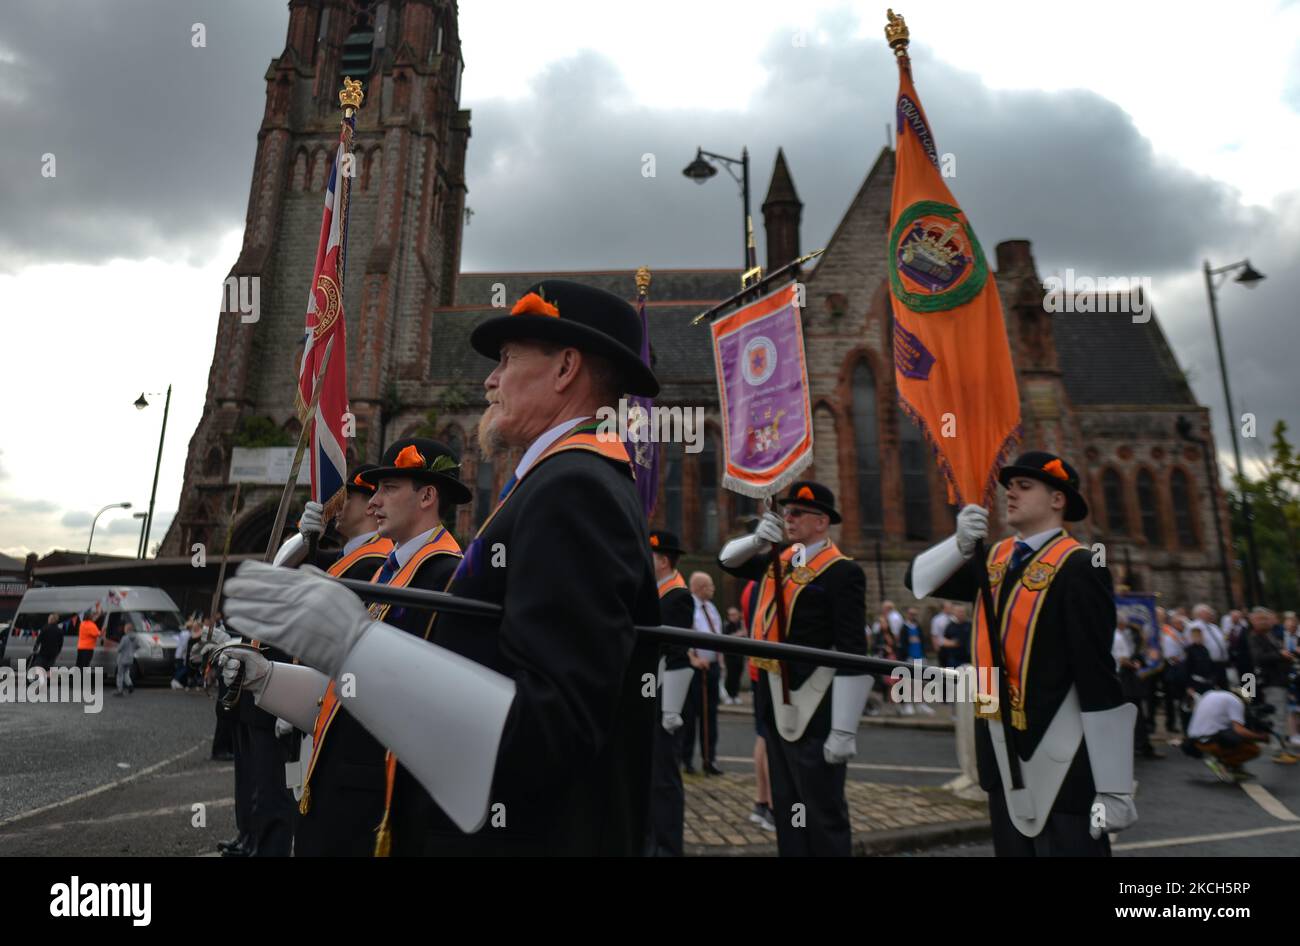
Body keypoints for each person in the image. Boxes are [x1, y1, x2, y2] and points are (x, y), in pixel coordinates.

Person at [223, 279, 661, 856]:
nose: (490, 379)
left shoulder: (574, 488)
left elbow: (552, 729)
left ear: (565, 370)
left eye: (506, 360)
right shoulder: (561, 483)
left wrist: (357, 648)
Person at [222, 450, 465, 857]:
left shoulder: (444, 577)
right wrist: (269, 678)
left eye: (387, 489)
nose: (373, 502)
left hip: (374, 796)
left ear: (427, 497)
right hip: (339, 781)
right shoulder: (391, 569)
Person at [907, 451, 1136, 856]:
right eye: (1008, 487)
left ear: (1057, 499)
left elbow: (1098, 675)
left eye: (1024, 486)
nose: (1009, 494)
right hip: (1001, 753)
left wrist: (1115, 786)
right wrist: (958, 544)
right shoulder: (992, 559)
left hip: (1062, 760)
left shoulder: (1080, 566)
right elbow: (917, 581)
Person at [719, 480, 870, 857]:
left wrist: (843, 729)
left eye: (797, 513)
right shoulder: (778, 561)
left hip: (816, 704)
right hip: (774, 698)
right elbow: (725, 561)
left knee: (822, 810)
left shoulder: (842, 572)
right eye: (787, 512)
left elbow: (854, 651)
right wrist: (756, 540)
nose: (788, 518)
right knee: (789, 809)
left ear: (822, 522)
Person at [646, 530, 693, 857]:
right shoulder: (656, 592)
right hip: (650, 691)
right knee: (650, 774)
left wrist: (671, 709)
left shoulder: (677, 596)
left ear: (662, 561)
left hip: (664, 694)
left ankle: (667, 846)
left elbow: (678, 653)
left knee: (664, 778)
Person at [680, 571, 724, 776]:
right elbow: (683, 637)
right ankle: (686, 759)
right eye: (709, 585)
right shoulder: (689, 607)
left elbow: (718, 635)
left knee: (711, 716)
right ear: (698, 587)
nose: (713, 589)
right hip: (696, 669)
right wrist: (694, 659)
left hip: (712, 668)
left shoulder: (712, 608)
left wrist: (719, 659)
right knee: (690, 716)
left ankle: (710, 759)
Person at [1183, 686, 1269, 782]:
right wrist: (1260, 737)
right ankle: (1222, 762)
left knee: (1231, 736)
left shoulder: (1210, 694)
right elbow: (1239, 730)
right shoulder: (1236, 702)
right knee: (1253, 749)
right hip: (1209, 741)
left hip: (1193, 740)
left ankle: (1233, 767)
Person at [1188, 604, 1229, 688]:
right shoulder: (1195, 626)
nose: (1211, 614)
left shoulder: (1213, 626)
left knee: (1224, 685)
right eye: (1207, 612)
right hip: (1208, 663)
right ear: (1199, 614)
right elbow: (1194, 644)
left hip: (1221, 662)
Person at [722, 605, 746, 704]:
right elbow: (725, 637)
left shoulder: (741, 624)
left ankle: (735, 694)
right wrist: (738, 634)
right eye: (731, 615)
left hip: (740, 654)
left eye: (734, 614)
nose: (733, 617)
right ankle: (729, 694)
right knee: (731, 675)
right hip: (730, 655)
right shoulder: (726, 625)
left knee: (738, 675)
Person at [940, 604, 971, 669]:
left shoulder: (970, 625)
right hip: (953, 660)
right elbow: (944, 642)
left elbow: (961, 642)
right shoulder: (950, 626)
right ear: (954, 613)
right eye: (959, 611)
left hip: (967, 660)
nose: (961, 613)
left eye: (962, 611)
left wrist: (954, 643)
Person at [113, 622, 137, 696]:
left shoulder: (124, 638)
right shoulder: (135, 638)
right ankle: (130, 685)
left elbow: (119, 648)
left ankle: (120, 690)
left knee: (120, 674)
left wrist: (117, 649)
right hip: (130, 658)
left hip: (122, 658)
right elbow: (138, 646)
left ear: (127, 629)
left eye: (125, 628)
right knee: (126, 673)